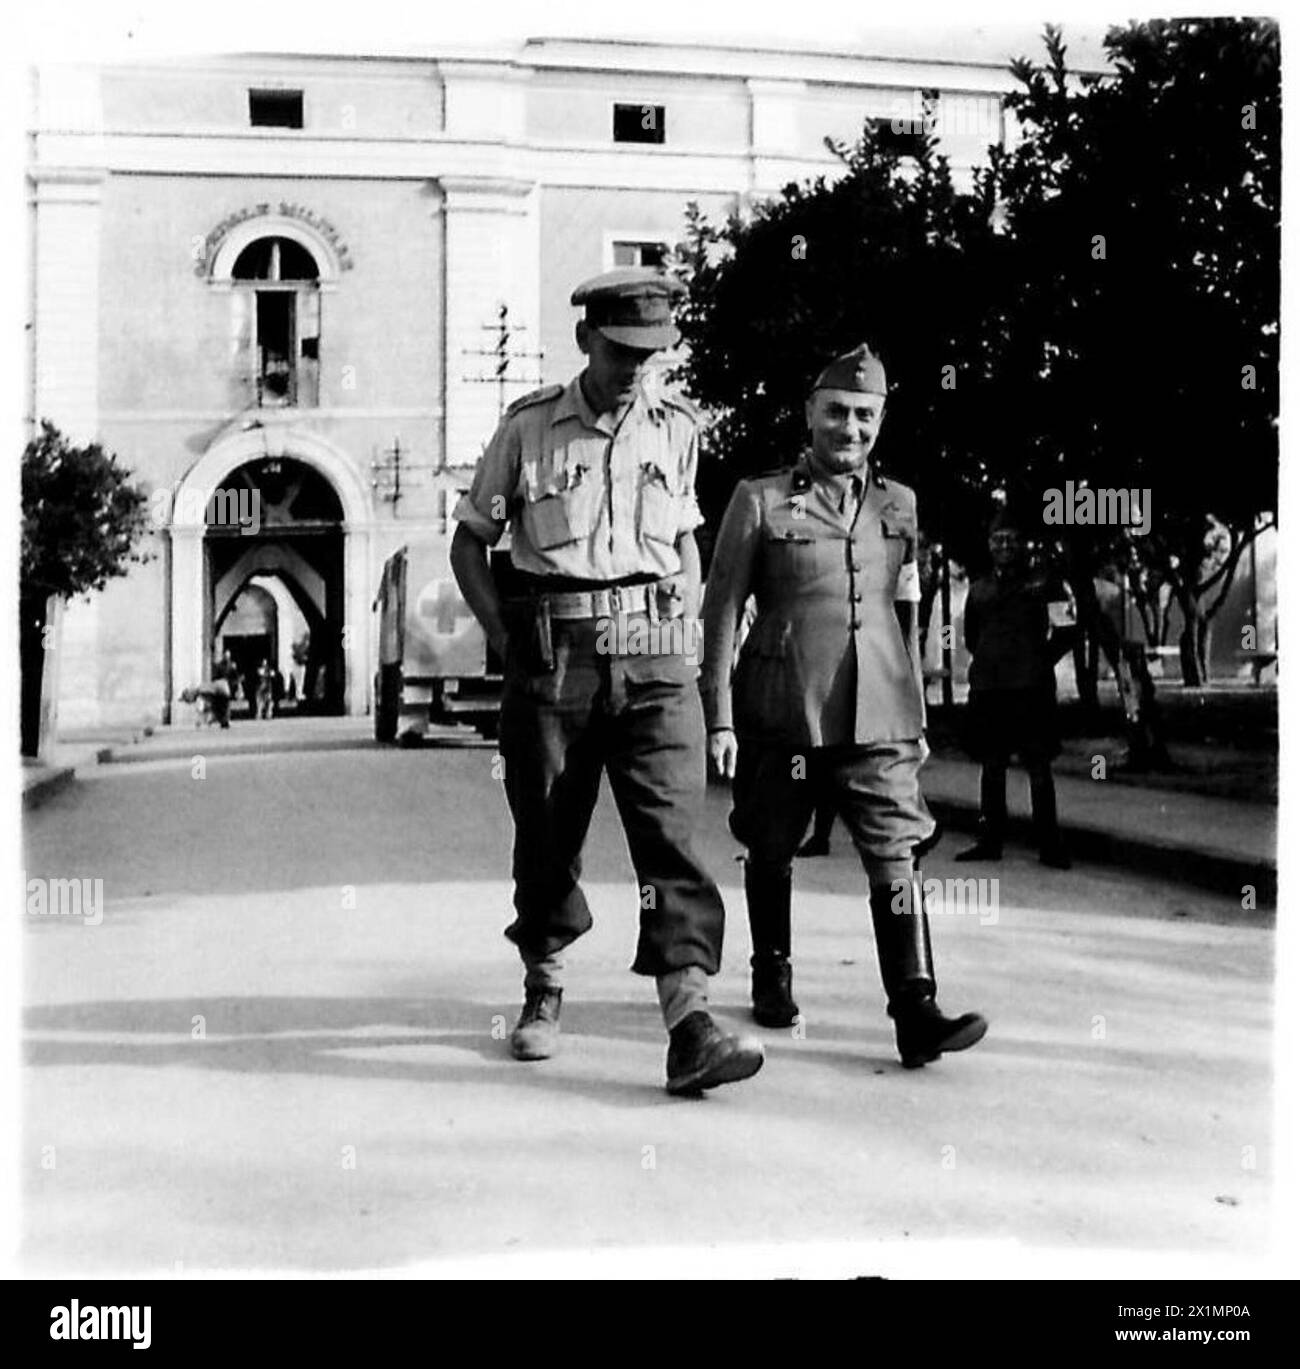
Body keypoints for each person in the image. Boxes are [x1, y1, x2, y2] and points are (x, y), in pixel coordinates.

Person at [450, 266, 764, 1096]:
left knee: (673, 837)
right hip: (557, 651)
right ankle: (544, 982)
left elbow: (685, 533)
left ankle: (689, 1022)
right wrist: (506, 639)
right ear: (586, 338)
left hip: (656, 653)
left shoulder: (676, 428)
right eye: (622, 350)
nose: (635, 368)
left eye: (650, 353)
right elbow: (471, 543)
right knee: (548, 833)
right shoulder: (529, 430)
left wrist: (687, 609)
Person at [701, 343, 986, 1068]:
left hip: (880, 710)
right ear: (809, 414)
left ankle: (915, 1009)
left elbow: (905, 609)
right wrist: (719, 716)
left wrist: (915, 713)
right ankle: (771, 971)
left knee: (896, 852)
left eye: (864, 415)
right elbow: (722, 609)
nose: (849, 428)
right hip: (782, 706)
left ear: (881, 421)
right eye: (836, 412)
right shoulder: (760, 499)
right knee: (771, 843)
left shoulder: (900, 504)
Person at [955, 512, 1072, 868]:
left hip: (1031, 691)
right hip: (990, 690)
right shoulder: (979, 589)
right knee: (992, 767)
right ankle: (989, 841)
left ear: (1023, 544)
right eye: (997, 540)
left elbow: (1066, 630)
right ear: (989, 546)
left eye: (1011, 539)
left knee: (1038, 767)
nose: (1004, 546)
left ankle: (1050, 846)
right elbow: (972, 637)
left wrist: (1039, 661)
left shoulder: (1046, 583)